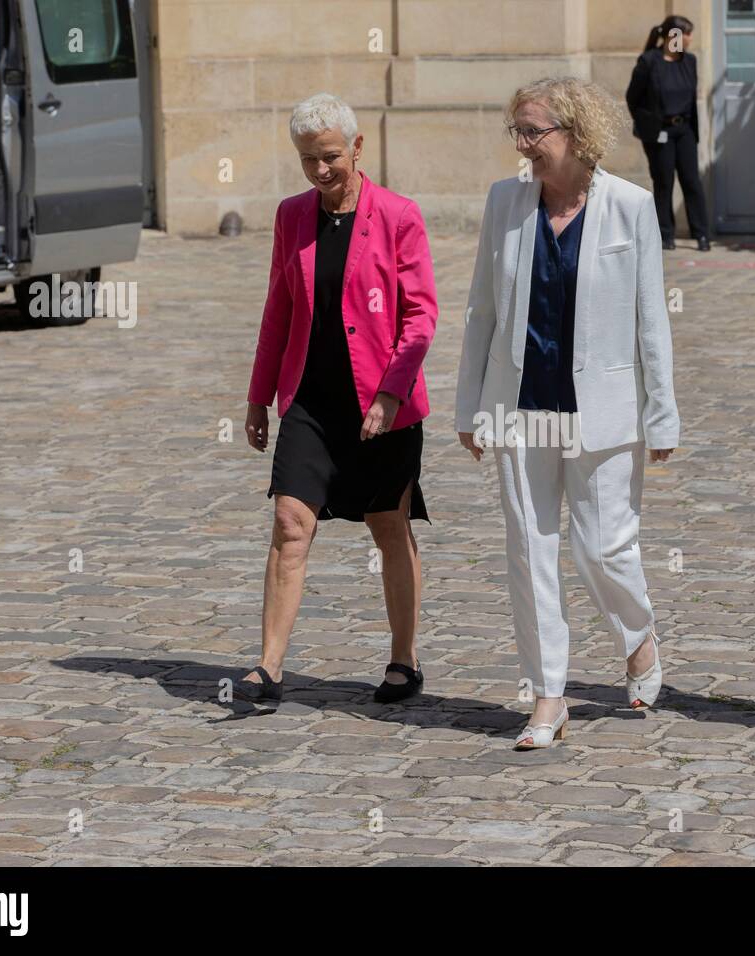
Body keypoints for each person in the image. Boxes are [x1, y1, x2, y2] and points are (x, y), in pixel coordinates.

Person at [455, 77, 680, 750]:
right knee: (529, 550)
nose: (523, 146)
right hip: (520, 406)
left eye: (534, 132)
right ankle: (549, 693)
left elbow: (650, 320)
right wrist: (470, 406)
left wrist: (661, 415)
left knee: (602, 548)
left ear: (577, 134)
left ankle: (636, 637)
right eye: (518, 132)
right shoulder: (506, 203)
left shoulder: (631, 208)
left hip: (604, 410)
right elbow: (482, 311)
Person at [240, 93, 439, 706]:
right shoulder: (291, 216)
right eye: (307, 161)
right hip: (311, 401)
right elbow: (279, 309)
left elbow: (421, 316)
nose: (320, 171)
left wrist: (389, 393)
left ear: (356, 147)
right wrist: (257, 397)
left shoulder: (400, 215)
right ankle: (270, 666)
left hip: (383, 407)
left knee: (388, 526)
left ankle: (403, 660)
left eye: (329, 157)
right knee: (289, 524)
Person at [625, 15, 710, 251]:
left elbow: (691, 99)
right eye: (687, 33)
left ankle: (701, 234)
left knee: (692, 181)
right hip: (659, 132)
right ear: (672, 35)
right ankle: (665, 234)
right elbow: (633, 99)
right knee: (664, 183)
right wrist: (648, 127)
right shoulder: (649, 61)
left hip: (684, 131)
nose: (691, 39)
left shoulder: (689, 61)